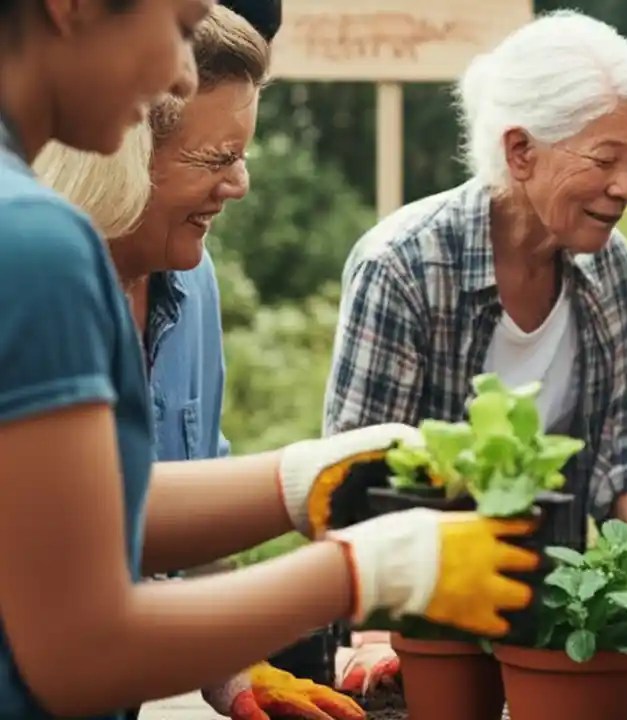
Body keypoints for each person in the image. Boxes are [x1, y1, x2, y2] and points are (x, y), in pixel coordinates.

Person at [0, 1, 539, 719]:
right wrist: (362, 570)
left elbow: (78, 510)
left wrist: (298, 477)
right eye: (181, 27)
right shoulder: (34, 241)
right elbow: (81, 647)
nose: (178, 73)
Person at [32, 8, 400, 715]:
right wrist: (339, 548)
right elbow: (62, 547)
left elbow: (193, 504)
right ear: (122, 148)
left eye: (243, 155)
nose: (241, 184)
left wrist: (235, 669)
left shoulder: (192, 282)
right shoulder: (31, 274)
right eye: (215, 158)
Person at [323, 10, 627, 544]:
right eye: (605, 160)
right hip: (415, 591)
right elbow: (356, 485)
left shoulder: (607, 262)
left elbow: (624, 454)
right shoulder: (403, 267)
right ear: (521, 152)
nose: (625, 186)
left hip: (551, 596)